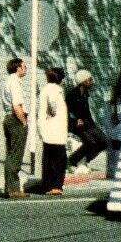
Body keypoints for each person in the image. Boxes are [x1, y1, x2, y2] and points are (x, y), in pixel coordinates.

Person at [67, 68, 109, 172]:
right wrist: (75, 121)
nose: (91, 82)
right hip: (76, 125)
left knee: (104, 142)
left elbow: (86, 112)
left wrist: (93, 125)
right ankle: (72, 160)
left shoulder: (85, 93)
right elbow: (66, 112)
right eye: (89, 80)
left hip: (87, 124)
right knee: (91, 143)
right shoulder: (71, 95)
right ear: (83, 81)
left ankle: (85, 159)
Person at [37, 66, 70, 196]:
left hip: (47, 128)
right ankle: (56, 185)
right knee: (59, 158)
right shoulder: (56, 90)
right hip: (55, 128)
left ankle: (47, 184)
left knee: (48, 158)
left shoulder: (45, 89)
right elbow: (53, 103)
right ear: (60, 79)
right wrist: (53, 112)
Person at [1, 58, 28, 199]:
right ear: (17, 68)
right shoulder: (15, 83)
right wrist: (23, 121)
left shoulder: (7, 81)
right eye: (24, 66)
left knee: (10, 154)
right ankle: (13, 189)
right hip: (16, 119)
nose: (26, 68)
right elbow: (17, 105)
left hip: (8, 119)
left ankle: (9, 187)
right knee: (16, 155)